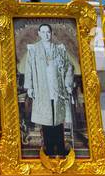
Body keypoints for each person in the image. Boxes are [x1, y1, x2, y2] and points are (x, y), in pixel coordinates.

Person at [21, 23, 76, 157]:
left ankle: (61, 149)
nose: (46, 35)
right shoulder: (33, 50)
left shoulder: (59, 49)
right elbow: (29, 69)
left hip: (57, 89)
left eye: (48, 32)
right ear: (39, 33)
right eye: (43, 32)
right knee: (46, 121)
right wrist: (30, 87)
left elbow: (69, 67)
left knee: (58, 120)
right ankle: (49, 149)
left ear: (51, 34)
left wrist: (68, 84)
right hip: (42, 89)